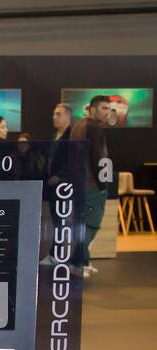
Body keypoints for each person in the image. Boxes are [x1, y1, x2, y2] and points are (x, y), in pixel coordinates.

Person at [69, 95, 112, 277]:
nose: (107, 112)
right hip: (92, 185)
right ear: (92, 109)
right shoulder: (94, 128)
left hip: (79, 183)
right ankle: (78, 262)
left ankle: (83, 261)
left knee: (83, 224)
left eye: (109, 108)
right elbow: (99, 158)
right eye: (103, 108)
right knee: (90, 225)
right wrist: (104, 184)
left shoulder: (79, 125)